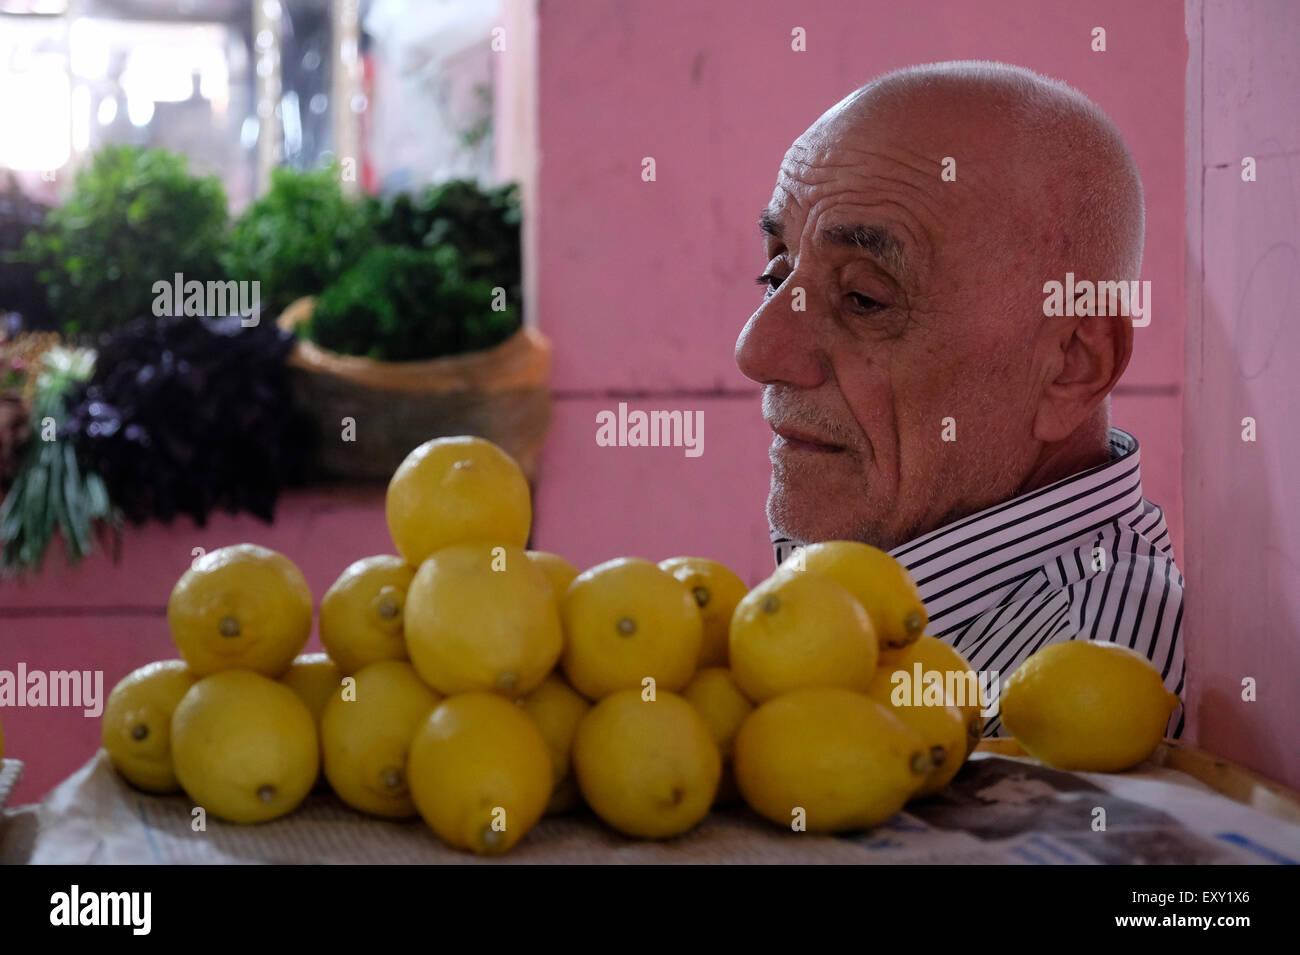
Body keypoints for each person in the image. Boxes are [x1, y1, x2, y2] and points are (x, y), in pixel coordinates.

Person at [735, 61, 1184, 736]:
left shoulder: (1086, 684)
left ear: (1070, 364)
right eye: (777, 277)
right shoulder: (876, 604)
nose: (757, 352)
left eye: (864, 298)